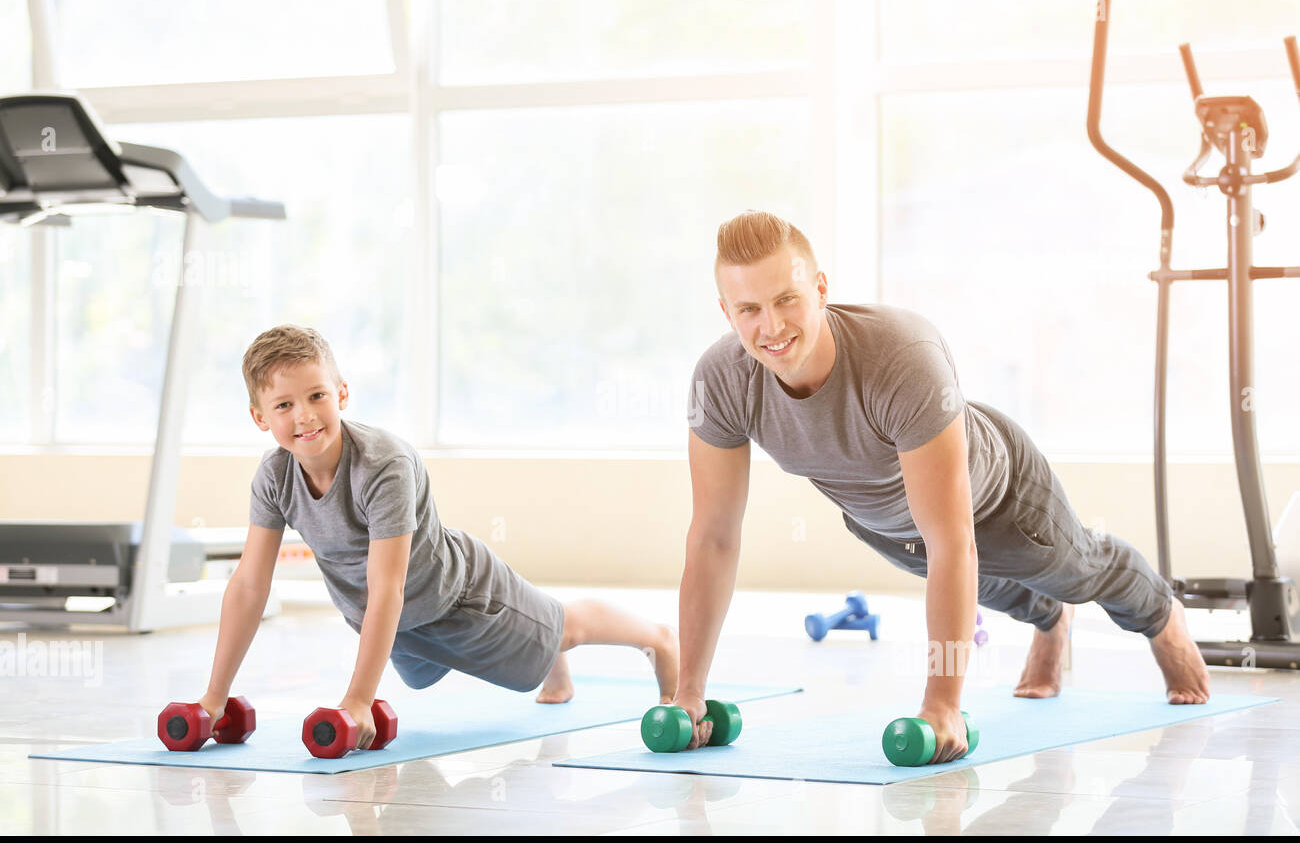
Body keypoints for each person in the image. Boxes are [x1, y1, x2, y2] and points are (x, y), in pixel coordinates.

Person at [671, 210, 1211, 763]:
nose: (772, 326)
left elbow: (953, 538)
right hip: (884, 524)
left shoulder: (899, 355)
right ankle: (1050, 622)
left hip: (999, 496)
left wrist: (943, 703)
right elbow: (713, 538)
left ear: (821, 289)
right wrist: (687, 693)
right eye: (749, 310)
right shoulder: (722, 380)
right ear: (726, 313)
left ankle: (1164, 618)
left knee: (1076, 571)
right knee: (992, 587)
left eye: (787, 299)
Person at [194, 325, 678, 749]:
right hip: (391, 621)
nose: (304, 416)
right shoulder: (275, 476)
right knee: (436, 674)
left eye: (317, 396)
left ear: (342, 393)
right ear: (260, 417)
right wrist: (213, 698)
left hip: (458, 595)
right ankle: (546, 643)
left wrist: (359, 699)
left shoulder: (383, 465)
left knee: (565, 630)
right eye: (284, 405)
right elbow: (250, 585)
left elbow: (388, 585)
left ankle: (655, 638)